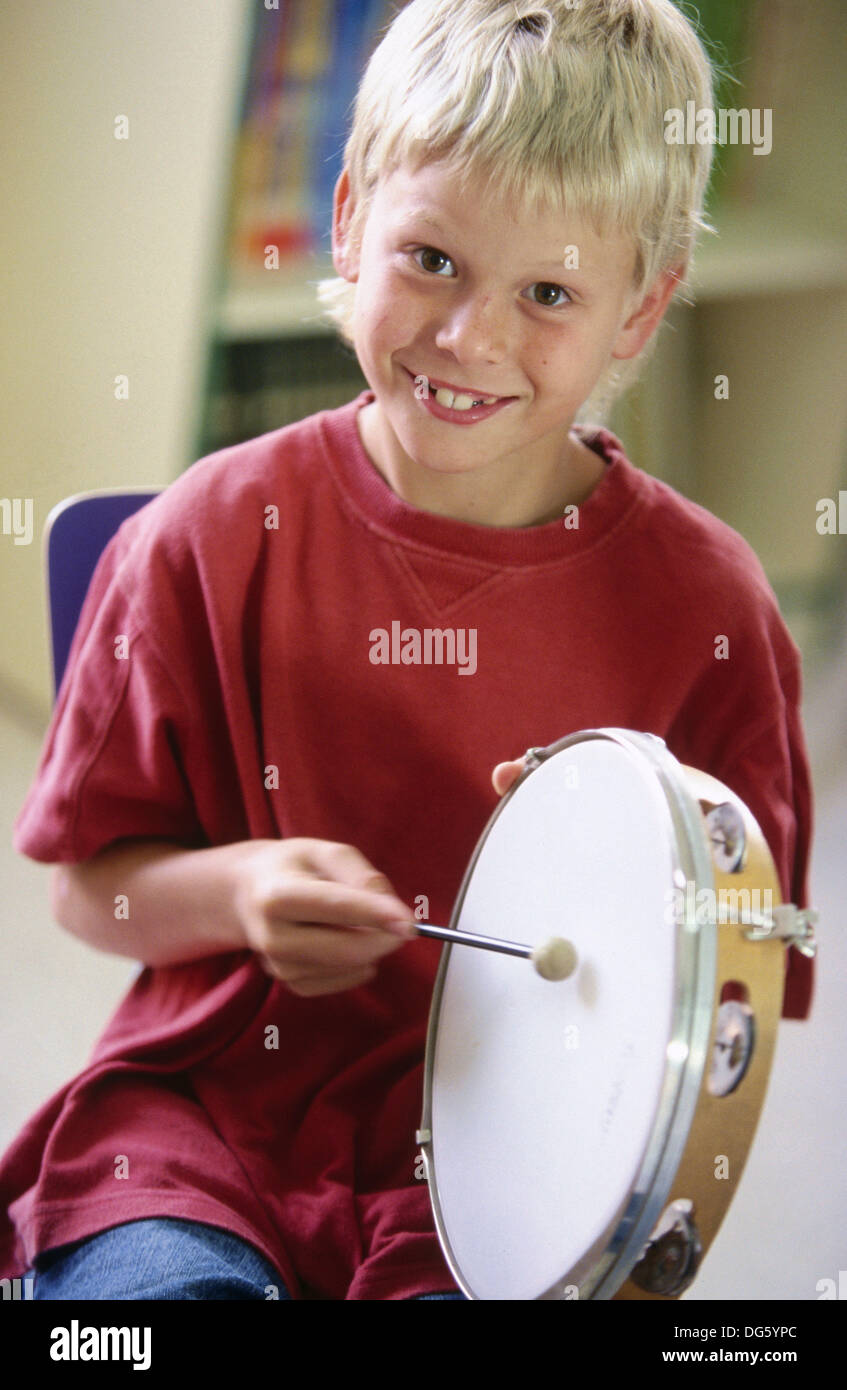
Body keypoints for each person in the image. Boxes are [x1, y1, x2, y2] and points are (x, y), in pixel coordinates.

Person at [0, 0, 813, 1301]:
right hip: (202, 1116)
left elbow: (730, 999)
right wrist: (238, 895)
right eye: (430, 257)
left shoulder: (710, 608)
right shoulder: (204, 537)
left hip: (521, 1168)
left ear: (640, 312)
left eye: (548, 292)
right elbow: (86, 890)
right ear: (347, 219)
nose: (467, 336)